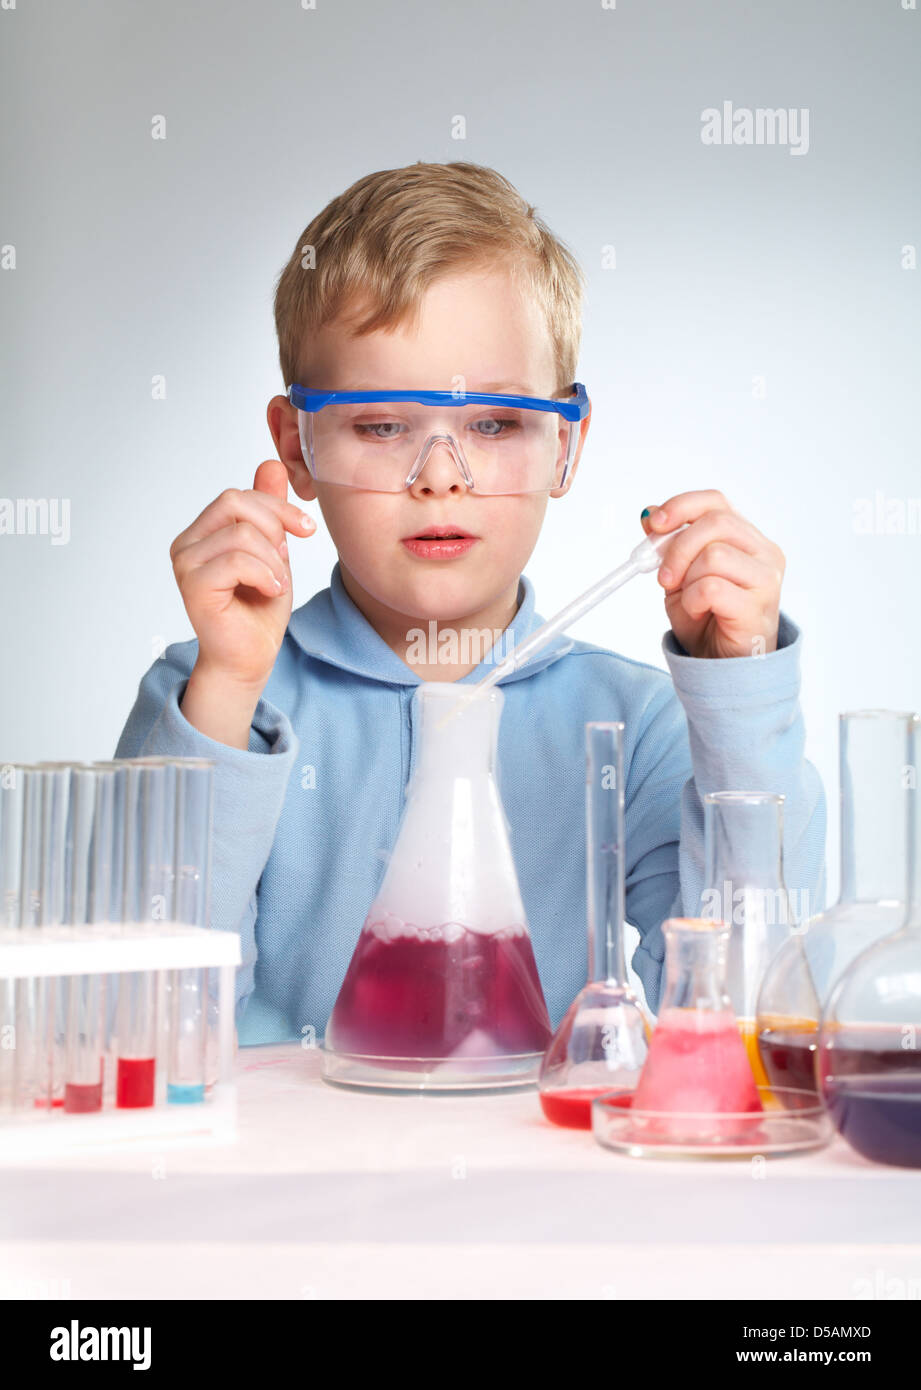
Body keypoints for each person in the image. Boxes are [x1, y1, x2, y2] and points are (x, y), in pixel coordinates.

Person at [115, 161, 826, 1045]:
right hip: (283, 1178)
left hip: (539, 1179)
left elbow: (756, 1016)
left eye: (493, 424)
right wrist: (227, 683)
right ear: (295, 445)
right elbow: (135, 1026)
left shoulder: (632, 723)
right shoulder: (208, 698)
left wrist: (739, 694)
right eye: (381, 426)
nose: (442, 478)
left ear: (564, 446)